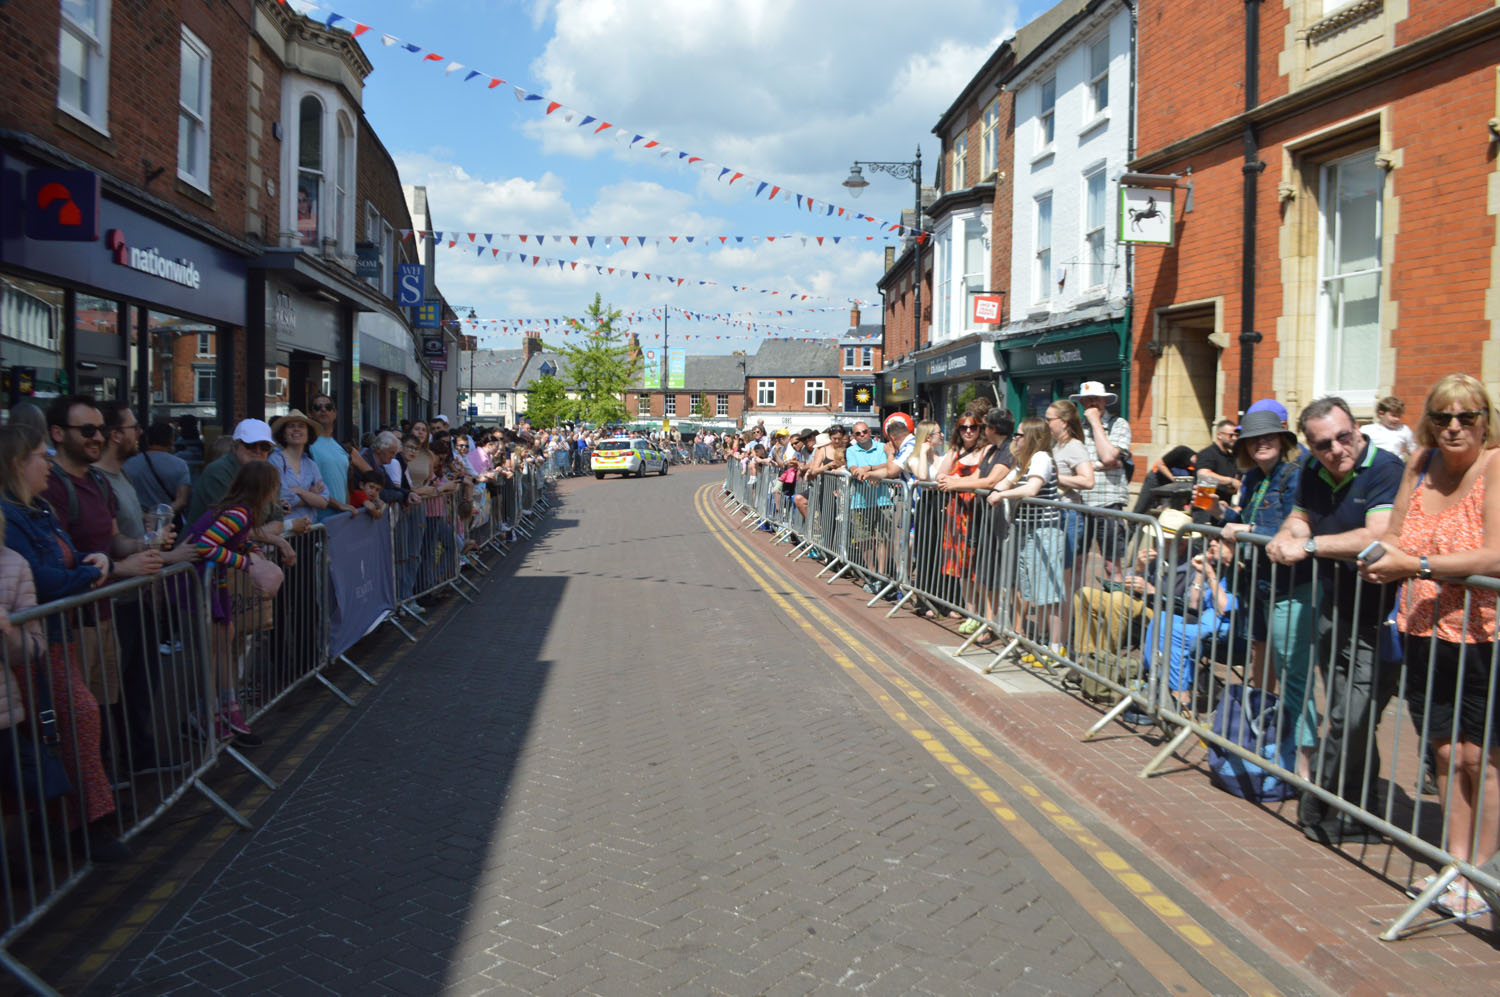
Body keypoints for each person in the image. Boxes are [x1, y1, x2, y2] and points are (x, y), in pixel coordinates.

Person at [1362, 374, 1500, 918]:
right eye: (1442, 417)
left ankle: (1483, 872)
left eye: (1467, 416)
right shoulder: (1419, 463)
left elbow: (1494, 556)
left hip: (1484, 634)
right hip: (1423, 629)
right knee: (1444, 751)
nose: (1454, 427)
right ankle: (1454, 862)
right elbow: (1395, 534)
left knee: (1481, 758)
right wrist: (1379, 557)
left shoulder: (1496, 465)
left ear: (1486, 420)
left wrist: (1417, 565)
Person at [1267, 396, 1404, 847]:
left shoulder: (1385, 469)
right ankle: (1361, 812)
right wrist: (1286, 535)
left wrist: (1307, 547)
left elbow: (1377, 535)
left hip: (1381, 616)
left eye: (1343, 437)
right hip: (1335, 606)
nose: (1336, 450)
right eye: (1323, 444)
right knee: (1352, 717)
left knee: (1352, 715)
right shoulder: (1312, 468)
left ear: (1357, 428)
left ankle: (1321, 799)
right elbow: (1300, 517)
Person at [0, 424, 127, 861]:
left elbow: (68, 557)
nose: (50, 465)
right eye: (42, 456)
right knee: (76, 720)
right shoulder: (11, 516)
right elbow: (41, 578)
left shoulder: (39, 510)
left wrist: (99, 560)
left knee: (65, 729)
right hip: (29, 646)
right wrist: (92, 573)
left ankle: (72, 826)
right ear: (17, 463)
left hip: (55, 635)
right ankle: (86, 827)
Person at [1213, 408, 1316, 776]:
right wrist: (1221, 514)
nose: (1262, 443)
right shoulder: (1255, 477)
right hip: (1257, 582)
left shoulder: (1295, 473)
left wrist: (1246, 531)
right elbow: (1243, 520)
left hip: (1289, 585)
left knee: (1294, 671)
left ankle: (1302, 763)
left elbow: (1291, 529)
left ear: (1283, 439)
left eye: (1269, 436)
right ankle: (1263, 727)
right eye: (1254, 439)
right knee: (1260, 651)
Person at [183, 461, 284, 746]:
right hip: (201, 584)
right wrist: (246, 564)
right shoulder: (239, 513)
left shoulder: (241, 512)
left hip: (214, 583)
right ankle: (209, 712)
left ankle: (227, 708)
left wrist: (252, 550)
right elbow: (206, 545)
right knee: (215, 649)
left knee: (223, 643)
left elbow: (234, 540)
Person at [988, 417, 1068, 651]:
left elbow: (1032, 488)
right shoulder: (1025, 461)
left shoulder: (1041, 458)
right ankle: (1041, 642)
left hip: (1044, 531)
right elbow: (1006, 482)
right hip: (1027, 530)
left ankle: (1055, 646)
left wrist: (1001, 495)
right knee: (1034, 592)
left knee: (1048, 592)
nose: (1015, 438)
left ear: (1032, 437)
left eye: (1020, 434)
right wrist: (995, 490)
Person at [185, 420, 299, 566]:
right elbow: (231, 526)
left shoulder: (267, 473)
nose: (258, 450)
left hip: (229, 559)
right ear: (236, 445)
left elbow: (277, 523)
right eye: (250, 445)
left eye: (264, 446)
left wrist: (252, 541)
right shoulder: (218, 471)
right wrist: (276, 540)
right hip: (197, 561)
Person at [1072, 382, 1133, 576]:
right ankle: (1077, 597)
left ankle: (1115, 596)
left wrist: (1096, 423)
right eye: (1088, 399)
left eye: (1096, 399)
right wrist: (1102, 464)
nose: (1092, 403)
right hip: (1079, 502)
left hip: (1107, 502)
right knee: (1076, 562)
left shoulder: (1119, 424)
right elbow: (1070, 464)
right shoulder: (1075, 429)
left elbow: (1108, 457)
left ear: (1105, 401)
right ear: (1082, 402)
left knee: (1111, 565)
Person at [125, 421, 192, 529]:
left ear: (147, 440)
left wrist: (146, 516)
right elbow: (182, 500)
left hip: (140, 522)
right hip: (170, 524)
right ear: (171, 441)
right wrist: (161, 515)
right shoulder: (180, 465)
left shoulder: (129, 464)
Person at [269, 410, 329, 528]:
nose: (296, 429)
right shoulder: (275, 460)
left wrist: (300, 491)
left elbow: (323, 501)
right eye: (291, 426)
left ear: (308, 434)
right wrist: (311, 496)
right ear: (284, 434)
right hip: (285, 531)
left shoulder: (311, 465)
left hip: (310, 530)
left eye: (301, 426)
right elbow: (282, 499)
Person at [1195, 419, 1243, 510]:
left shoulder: (1231, 457)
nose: (1234, 438)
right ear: (1219, 435)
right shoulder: (1208, 453)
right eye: (1231, 435)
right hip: (1205, 508)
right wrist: (1231, 481)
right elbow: (1203, 475)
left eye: (1236, 435)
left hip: (1222, 508)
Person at [1362, 395, 1417, 462]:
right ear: (1381, 414)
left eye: (1399, 416)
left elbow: (1414, 452)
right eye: (1393, 415)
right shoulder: (1367, 430)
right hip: (1373, 465)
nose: (1397, 419)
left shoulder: (1404, 430)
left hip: (1395, 465)